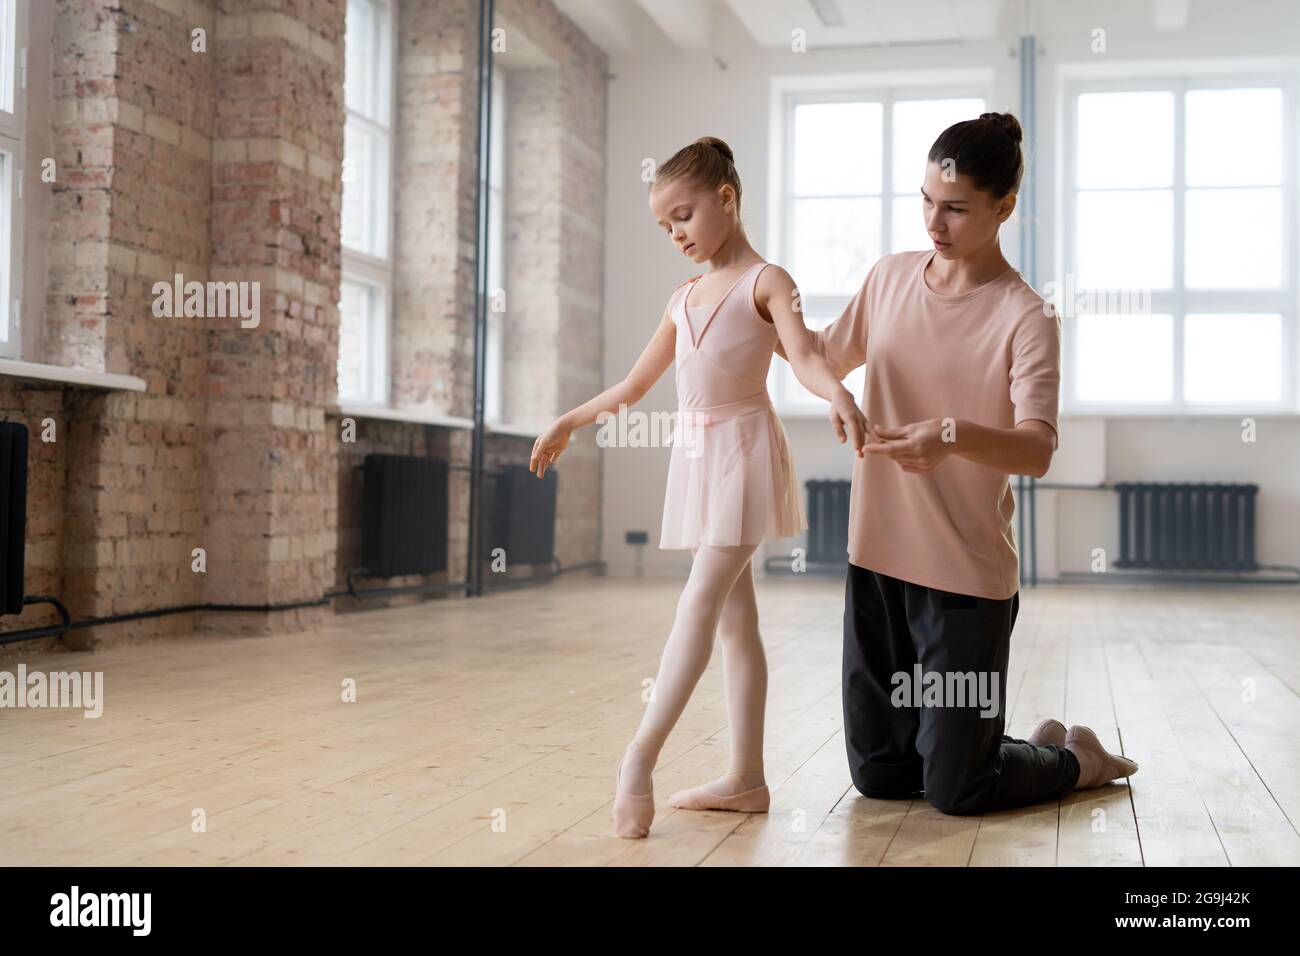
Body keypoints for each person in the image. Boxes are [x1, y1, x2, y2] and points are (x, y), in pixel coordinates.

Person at [775, 112, 1138, 815]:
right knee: (881, 776)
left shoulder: (1025, 316)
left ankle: (1074, 760)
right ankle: (989, 742)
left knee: (957, 790)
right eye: (925, 202)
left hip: (964, 582)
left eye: (954, 209)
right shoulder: (889, 279)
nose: (932, 224)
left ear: (1003, 208)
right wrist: (764, 308)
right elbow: (816, 352)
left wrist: (951, 435)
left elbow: (1036, 446)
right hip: (875, 558)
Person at [530, 135, 869, 837]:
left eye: (682, 215)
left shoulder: (768, 280)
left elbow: (803, 355)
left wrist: (837, 392)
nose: (675, 233)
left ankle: (639, 756)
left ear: (726, 197)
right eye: (664, 225)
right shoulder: (681, 297)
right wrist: (573, 417)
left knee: (700, 599)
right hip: (696, 455)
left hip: (744, 448)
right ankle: (746, 777)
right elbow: (634, 383)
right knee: (734, 617)